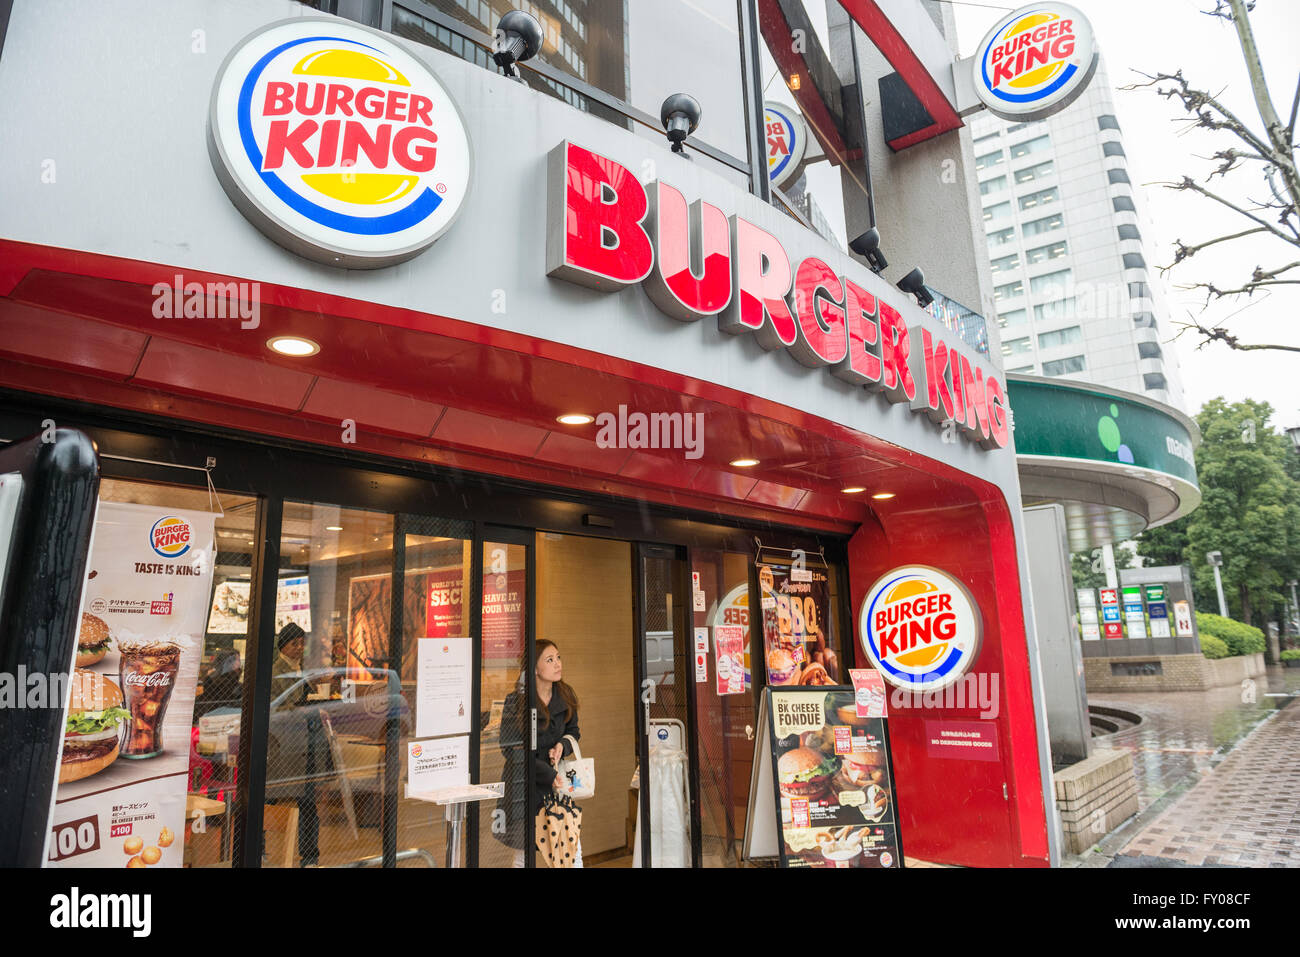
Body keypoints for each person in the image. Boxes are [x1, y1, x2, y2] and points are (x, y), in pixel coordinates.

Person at [497, 640, 581, 867]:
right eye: (550, 659)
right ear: (534, 668)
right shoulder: (516, 701)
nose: (558, 664)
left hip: (556, 782)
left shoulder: (565, 695)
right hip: (524, 786)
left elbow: (574, 731)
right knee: (524, 853)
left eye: (559, 657)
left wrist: (563, 744)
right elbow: (509, 747)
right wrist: (546, 773)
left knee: (570, 847)